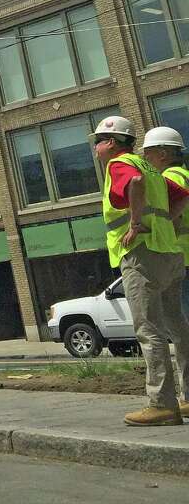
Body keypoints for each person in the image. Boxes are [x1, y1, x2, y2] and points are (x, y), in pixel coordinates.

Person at [93, 116, 189, 425]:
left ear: (110, 143)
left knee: (149, 329)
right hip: (169, 253)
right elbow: (182, 196)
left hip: (142, 254)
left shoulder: (119, 165)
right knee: (178, 327)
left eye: (97, 142)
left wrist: (135, 224)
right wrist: (167, 224)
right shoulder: (150, 166)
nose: (95, 148)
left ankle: (161, 404)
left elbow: (133, 185)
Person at [142, 125, 189, 410]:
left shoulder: (171, 178)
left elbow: (175, 211)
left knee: (182, 329)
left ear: (162, 153)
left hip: (182, 258)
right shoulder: (183, 174)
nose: (145, 158)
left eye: (147, 153)